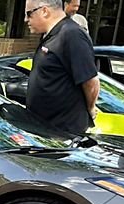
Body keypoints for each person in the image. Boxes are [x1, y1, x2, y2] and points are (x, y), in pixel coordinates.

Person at [24, 0, 99, 136]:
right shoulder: (51, 35)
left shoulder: (71, 34)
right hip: (43, 129)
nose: (25, 19)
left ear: (44, 11)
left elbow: (91, 82)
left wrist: (91, 108)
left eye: (29, 14)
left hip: (63, 132)